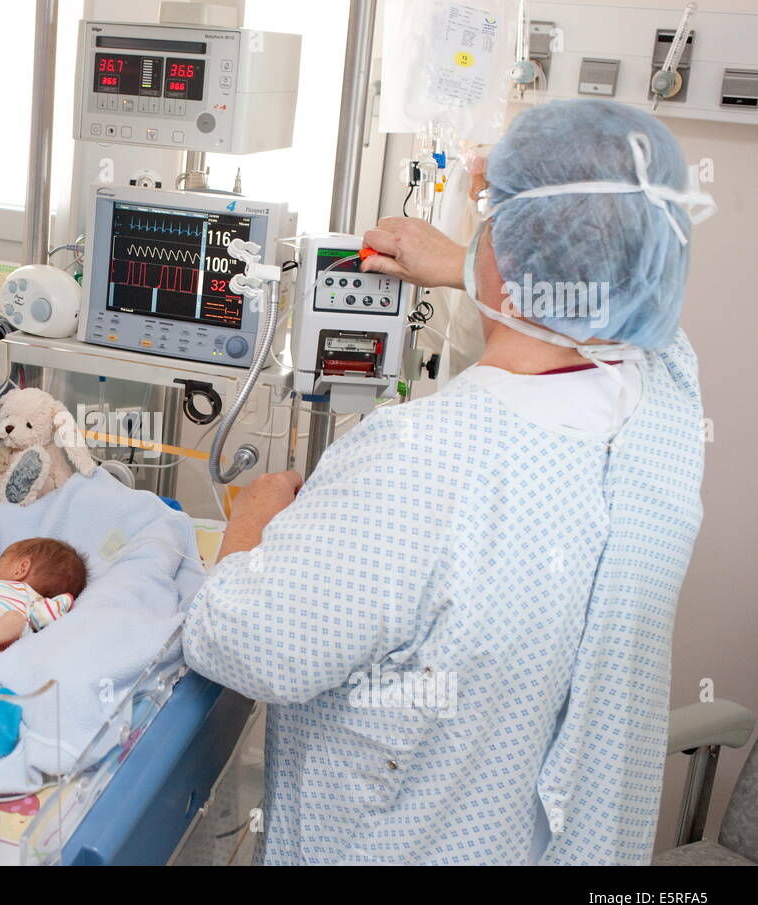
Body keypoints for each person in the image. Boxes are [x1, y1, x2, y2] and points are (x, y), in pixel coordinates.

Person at [182, 99, 716, 865]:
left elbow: (247, 645)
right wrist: (470, 264)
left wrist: (248, 528)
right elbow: (605, 266)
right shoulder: (669, 395)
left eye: (492, 213)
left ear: (512, 246)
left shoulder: (419, 458)